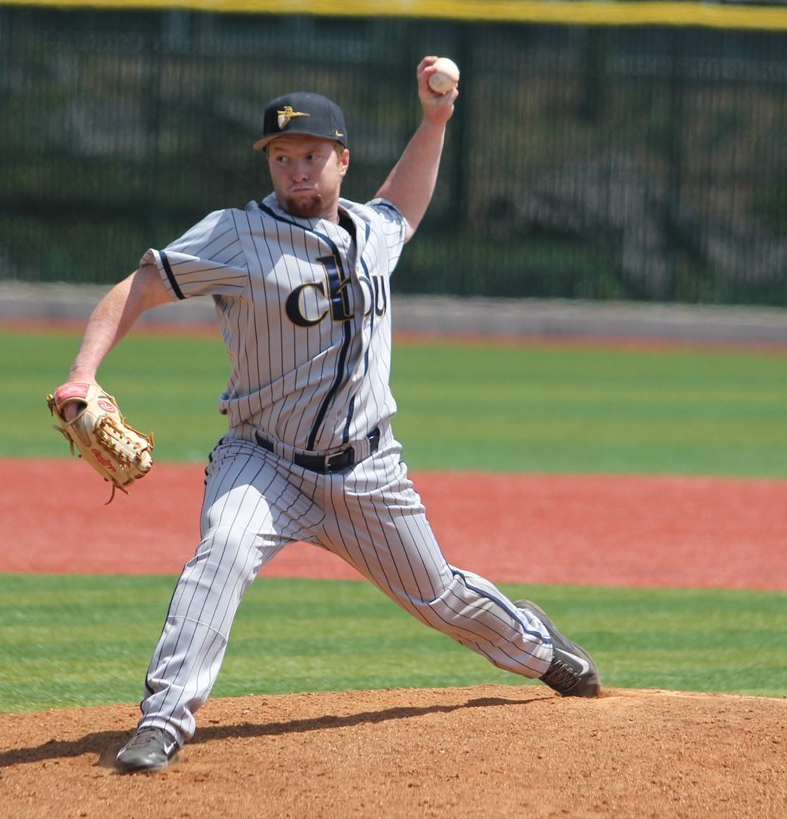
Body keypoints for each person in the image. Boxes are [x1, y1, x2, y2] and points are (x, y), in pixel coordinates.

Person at [62, 56, 600, 775]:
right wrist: (82, 373)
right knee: (222, 550)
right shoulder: (234, 235)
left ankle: (538, 645)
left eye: (312, 156)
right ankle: (163, 720)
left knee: (438, 594)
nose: (296, 171)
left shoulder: (372, 232)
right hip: (264, 460)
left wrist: (435, 119)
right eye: (282, 157)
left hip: (366, 472)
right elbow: (139, 288)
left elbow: (403, 202)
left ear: (341, 160)